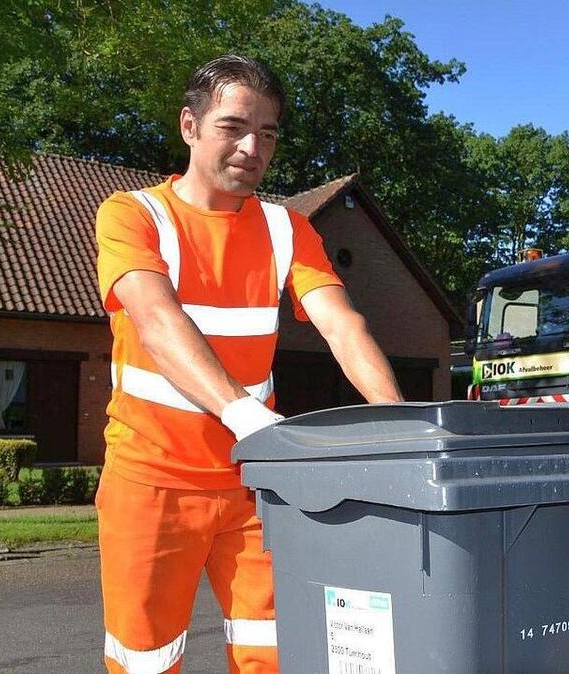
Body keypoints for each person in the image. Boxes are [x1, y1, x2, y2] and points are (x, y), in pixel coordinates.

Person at [94, 54, 403, 673]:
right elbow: (158, 323)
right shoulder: (133, 215)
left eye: (267, 133)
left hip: (255, 485)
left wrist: (400, 426)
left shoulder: (287, 230)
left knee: (275, 651)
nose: (251, 147)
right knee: (144, 658)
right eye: (233, 126)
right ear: (190, 126)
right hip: (152, 480)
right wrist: (247, 417)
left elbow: (343, 325)